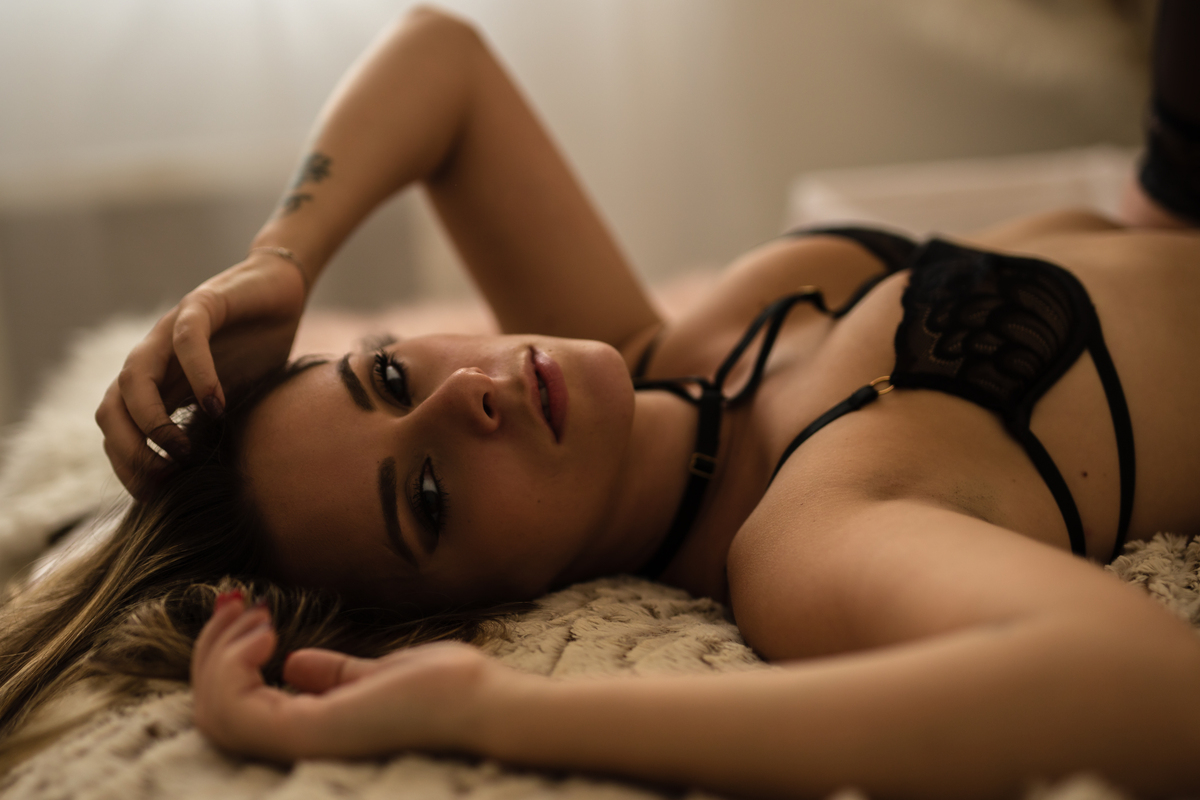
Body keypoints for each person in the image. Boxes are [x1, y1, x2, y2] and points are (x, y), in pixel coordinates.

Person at [3, 2, 1199, 796]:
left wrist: (283, 258)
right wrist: (488, 714)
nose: (468, 396)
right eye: (429, 495)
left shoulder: (653, 354)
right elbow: (1150, 692)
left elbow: (442, 58)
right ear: (476, 603)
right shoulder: (811, 531)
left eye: (389, 375)